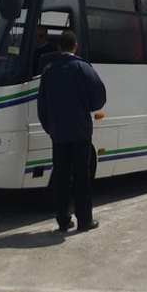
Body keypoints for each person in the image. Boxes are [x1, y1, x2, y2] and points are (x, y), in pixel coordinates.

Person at [37, 30, 107, 233]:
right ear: (75, 45)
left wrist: (50, 127)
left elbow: (42, 105)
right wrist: (88, 107)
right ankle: (85, 220)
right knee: (81, 176)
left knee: (60, 175)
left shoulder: (49, 70)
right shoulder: (83, 68)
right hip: (80, 132)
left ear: (59, 47)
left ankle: (63, 220)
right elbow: (99, 97)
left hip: (58, 133)